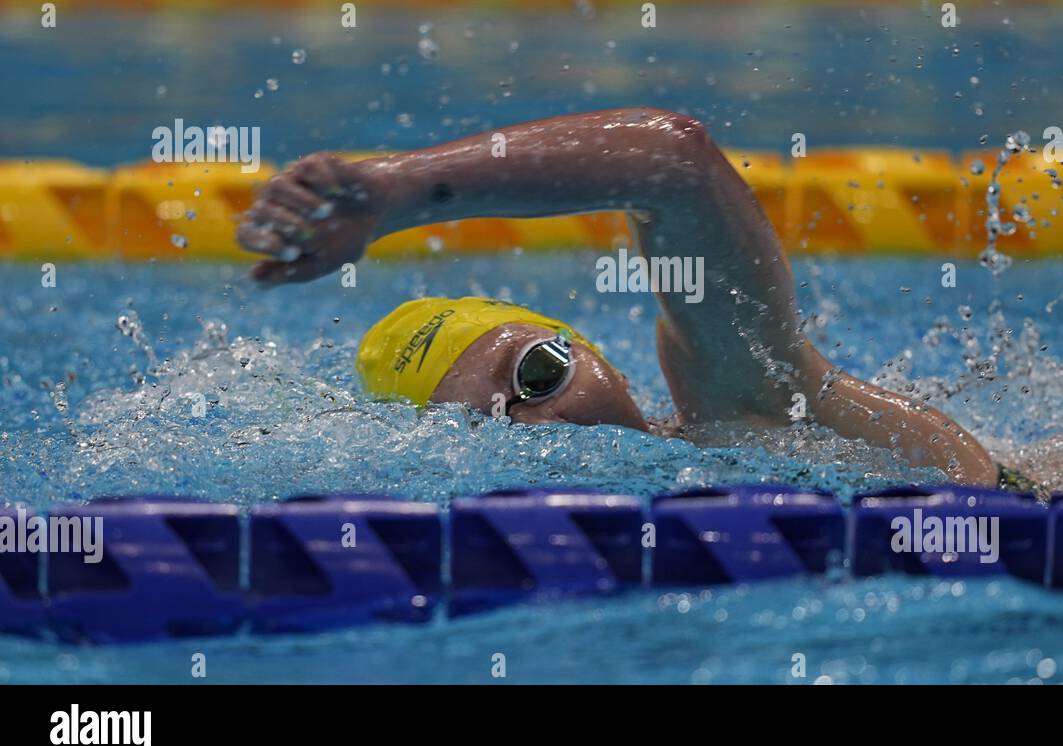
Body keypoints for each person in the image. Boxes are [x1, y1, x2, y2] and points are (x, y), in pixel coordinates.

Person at [236, 107, 999, 486]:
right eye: (488, 428)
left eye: (535, 373)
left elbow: (675, 161)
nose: (542, 418)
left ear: (586, 347)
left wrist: (394, 194)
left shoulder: (745, 403)